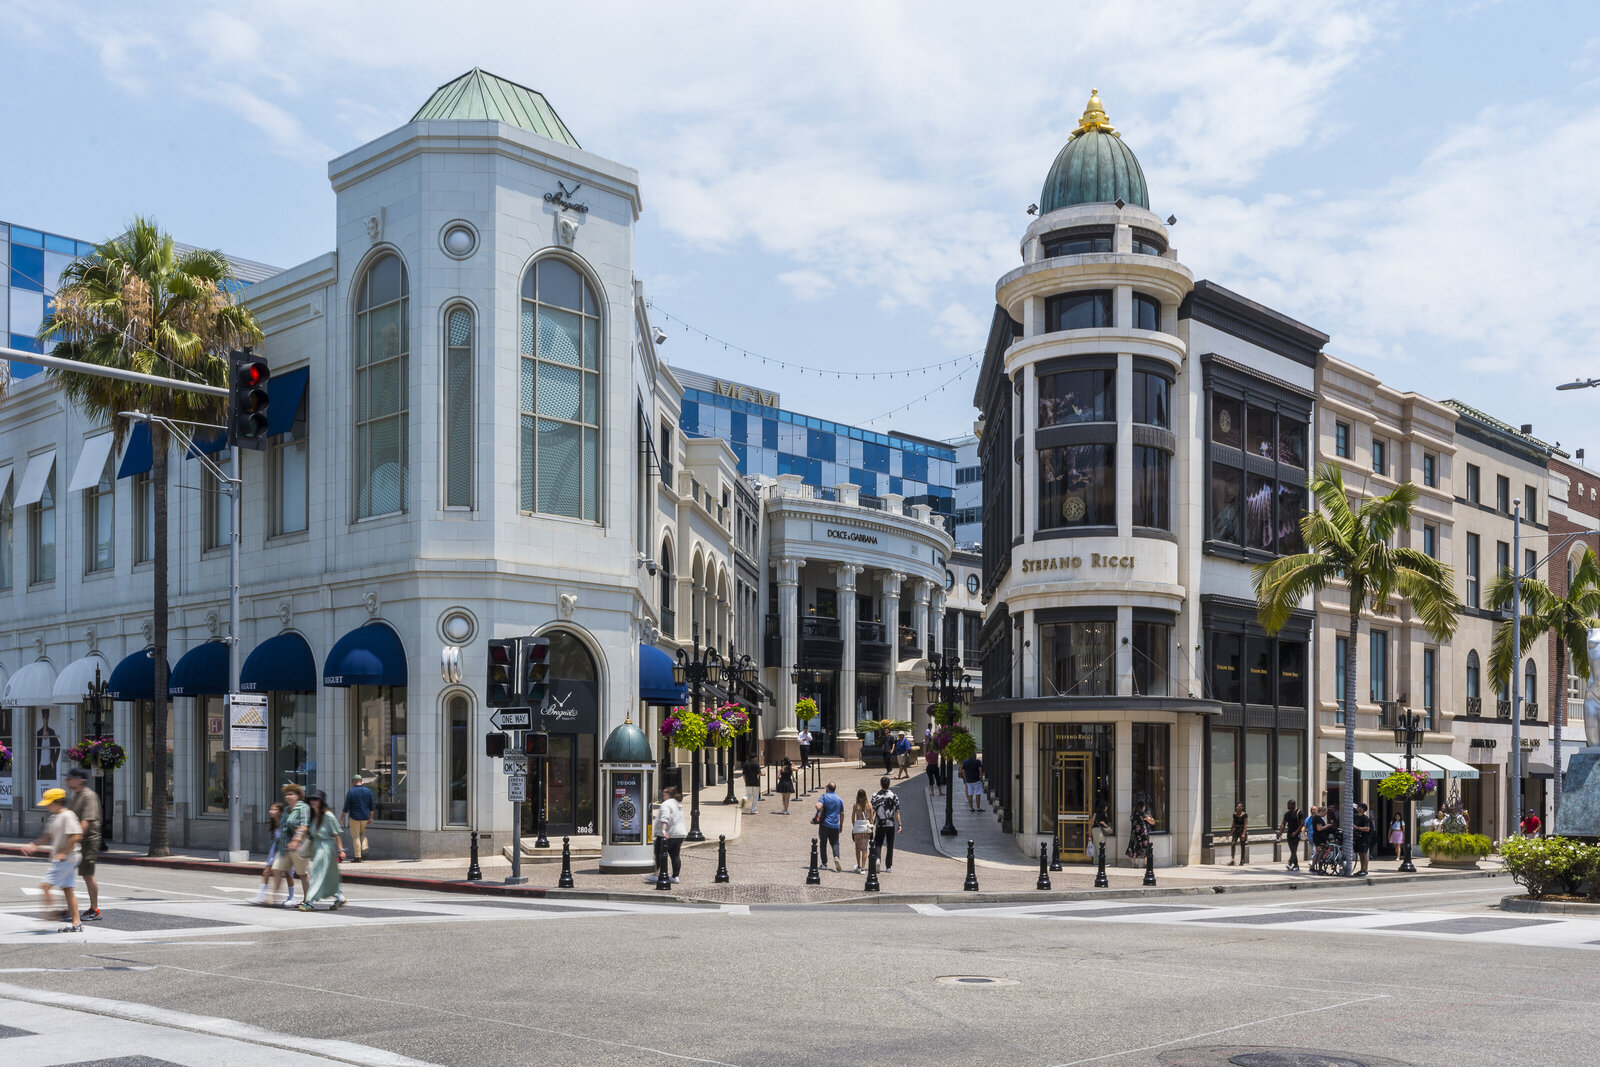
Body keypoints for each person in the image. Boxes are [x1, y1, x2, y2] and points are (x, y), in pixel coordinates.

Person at [22, 788, 82, 933]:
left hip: (67, 858)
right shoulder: (54, 818)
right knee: (68, 889)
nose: (47, 806)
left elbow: (76, 836)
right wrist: (33, 845)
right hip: (66, 858)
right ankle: (76, 923)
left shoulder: (68, 815)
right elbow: (47, 836)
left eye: (49, 803)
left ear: (58, 801)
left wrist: (63, 853)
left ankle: (51, 916)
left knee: (45, 886)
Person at [63, 768, 102, 921]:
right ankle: (69, 908)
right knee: (66, 873)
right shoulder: (75, 795)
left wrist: (76, 838)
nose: (67, 781)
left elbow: (86, 821)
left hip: (88, 840)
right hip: (77, 840)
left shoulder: (88, 796)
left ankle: (95, 909)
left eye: (70, 778)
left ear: (80, 780)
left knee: (87, 875)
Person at [298, 789, 347, 911]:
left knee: (315, 872)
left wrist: (341, 850)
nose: (312, 801)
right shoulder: (313, 816)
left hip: (325, 847)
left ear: (321, 801)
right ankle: (339, 896)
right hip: (316, 846)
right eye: (311, 799)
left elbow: (336, 834)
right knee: (328, 875)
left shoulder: (328, 815)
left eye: (316, 799)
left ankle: (309, 901)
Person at [268, 783, 312, 906]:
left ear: (298, 795)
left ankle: (307, 899)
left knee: (303, 873)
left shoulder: (303, 808)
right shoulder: (287, 810)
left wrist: (296, 840)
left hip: (299, 846)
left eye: (291, 794)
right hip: (285, 847)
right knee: (276, 869)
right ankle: (271, 897)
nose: (287, 796)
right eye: (286, 794)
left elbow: (304, 826)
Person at [645, 785, 687, 883]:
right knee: (675, 855)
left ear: (669, 794)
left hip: (667, 834)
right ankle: (675, 876)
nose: (663, 794)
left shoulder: (666, 804)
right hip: (679, 834)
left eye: (665, 792)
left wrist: (663, 830)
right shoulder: (677, 804)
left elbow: (665, 817)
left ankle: (658, 874)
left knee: (659, 854)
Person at [251, 802, 288, 905]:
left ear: (280, 812)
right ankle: (261, 896)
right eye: (271, 809)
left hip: (282, 850)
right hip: (274, 850)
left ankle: (290, 897)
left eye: (275, 810)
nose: (271, 811)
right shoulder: (273, 822)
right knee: (266, 872)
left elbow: (284, 838)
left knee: (287, 875)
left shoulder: (284, 823)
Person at [870, 776, 902, 872]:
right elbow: (897, 811)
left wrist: (871, 823)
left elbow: (872, 811)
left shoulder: (875, 796)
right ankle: (888, 866)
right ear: (889, 784)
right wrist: (900, 824)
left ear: (881, 784)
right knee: (890, 844)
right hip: (890, 824)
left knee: (878, 843)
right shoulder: (894, 796)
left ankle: (877, 859)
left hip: (879, 823)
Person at [342, 774, 375, 862]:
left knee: (356, 836)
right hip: (365, 817)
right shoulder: (368, 791)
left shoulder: (351, 792)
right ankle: (364, 845)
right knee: (362, 833)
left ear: (354, 781)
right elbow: (372, 806)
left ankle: (357, 857)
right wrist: (371, 817)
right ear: (361, 781)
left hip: (354, 817)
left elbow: (346, 808)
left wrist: (342, 819)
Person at [815, 781, 844, 872]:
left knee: (823, 843)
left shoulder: (824, 797)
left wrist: (817, 806)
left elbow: (818, 806)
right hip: (835, 825)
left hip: (824, 824)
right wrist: (841, 825)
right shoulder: (839, 799)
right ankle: (836, 857)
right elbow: (842, 813)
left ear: (828, 788)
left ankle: (824, 863)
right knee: (835, 843)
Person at [850, 789, 872, 873]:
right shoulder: (869, 805)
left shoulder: (856, 805)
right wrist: (870, 827)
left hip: (858, 830)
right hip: (866, 829)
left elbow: (853, 817)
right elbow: (871, 818)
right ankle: (863, 868)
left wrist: (855, 826)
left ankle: (859, 866)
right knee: (864, 849)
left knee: (857, 848)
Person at [1279, 799, 1303, 872]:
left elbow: (1302, 824)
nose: (1288, 806)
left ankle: (1290, 863)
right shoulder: (1287, 814)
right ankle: (1296, 865)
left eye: (1289, 805)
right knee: (1292, 850)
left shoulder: (1299, 812)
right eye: (1287, 804)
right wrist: (1281, 831)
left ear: (1293, 805)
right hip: (1289, 834)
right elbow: (1283, 823)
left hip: (1296, 834)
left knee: (1294, 849)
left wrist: (1296, 832)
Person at [1352, 803, 1373, 876]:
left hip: (1364, 838)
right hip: (1358, 838)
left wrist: (1357, 828)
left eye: (1359, 807)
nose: (1357, 808)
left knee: (1364, 853)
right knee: (1360, 853)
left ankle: (1365, 870)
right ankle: (1361, 869)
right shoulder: (1356, 817)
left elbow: (1367, 829)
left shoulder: (1365, 818)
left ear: (1362, 809)